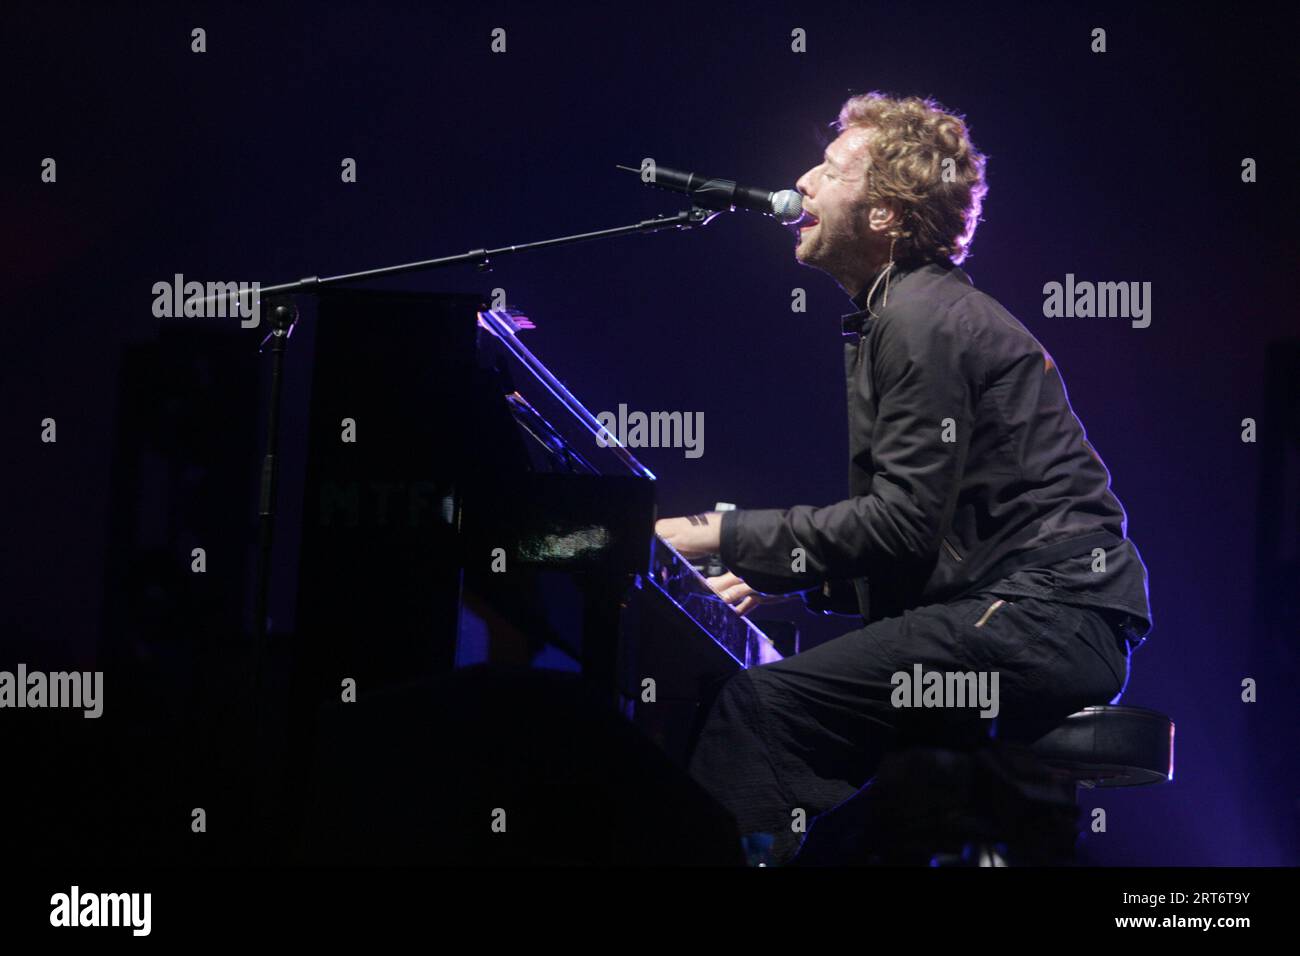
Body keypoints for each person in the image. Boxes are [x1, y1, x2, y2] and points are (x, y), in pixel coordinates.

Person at [655, 91, 1153, 865]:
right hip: (1034, 615)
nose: (802, 182)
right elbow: (941, 538)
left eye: (830, 169)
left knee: (761, 709)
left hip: (1041, 620)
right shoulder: (913, 310)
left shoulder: (922, 318)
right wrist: (781, 579)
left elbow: (901, 525)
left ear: (884, 214)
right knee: (873, 822)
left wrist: (718, 533)